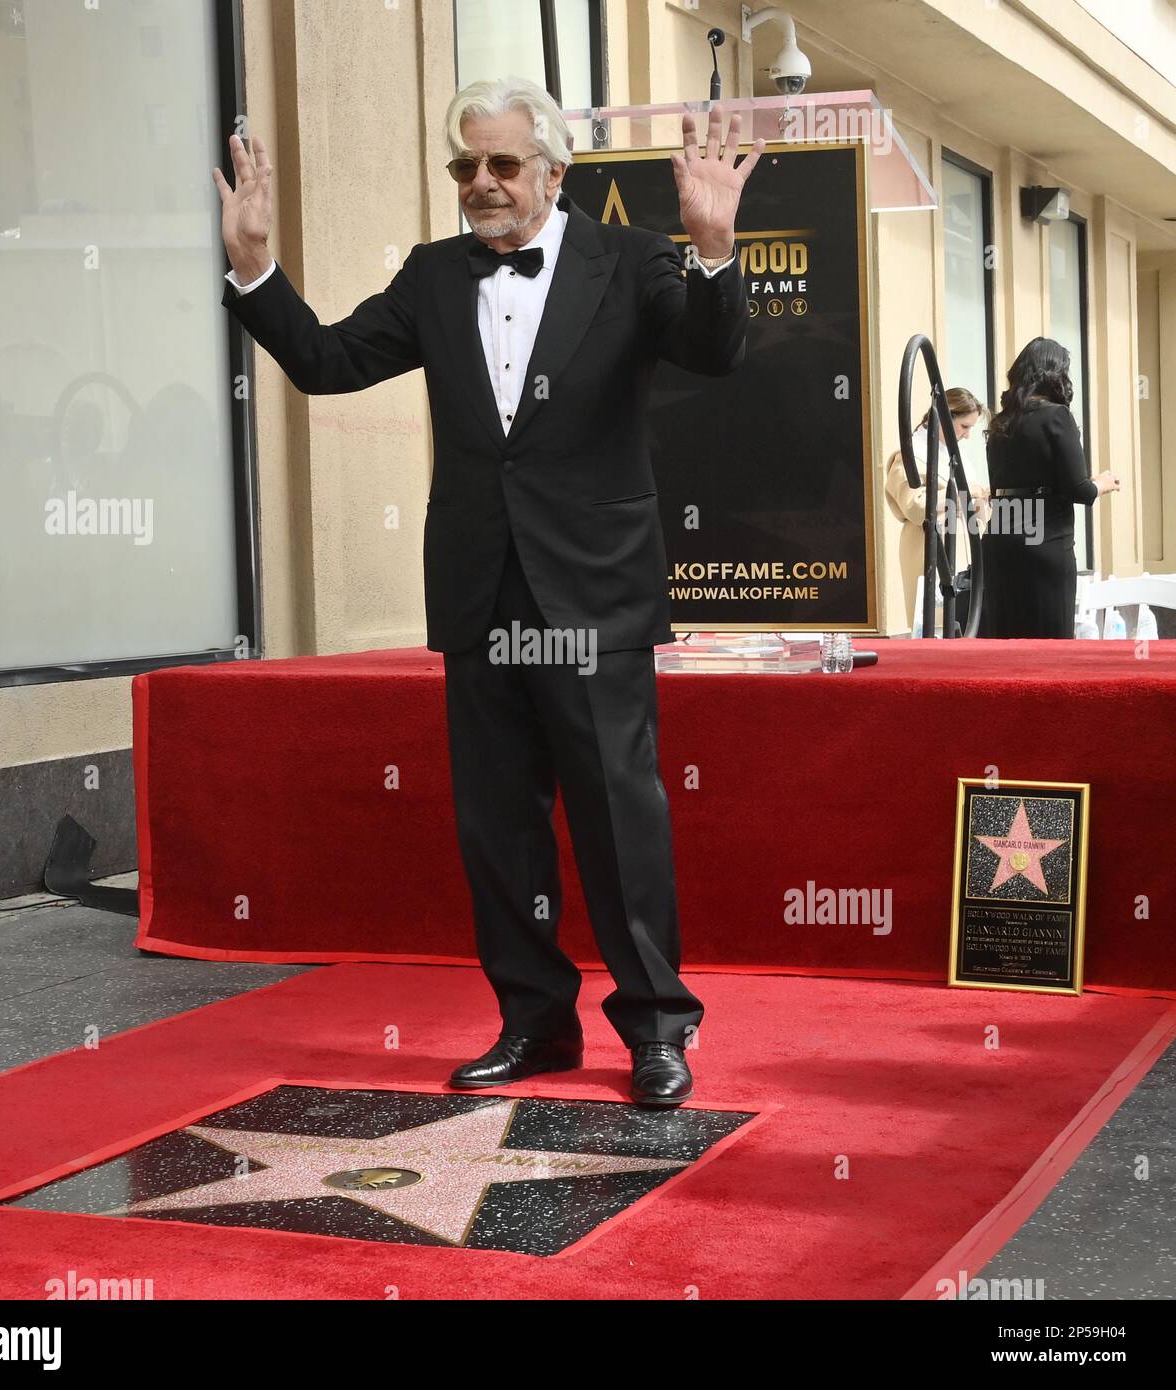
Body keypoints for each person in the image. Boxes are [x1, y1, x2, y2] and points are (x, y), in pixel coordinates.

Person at [212, 77, 762, 1107]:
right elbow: (329, 363)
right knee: (498, 826)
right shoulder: (430, 277)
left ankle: (655, 1028)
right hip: (483, 593)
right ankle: (533, 1023)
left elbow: (717, 350)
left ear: (555, 168)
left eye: (503, 164)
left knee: (619, 818)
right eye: (464, 165)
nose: (482, 183)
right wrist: (255, 270)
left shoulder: (633, 258)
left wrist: (714, 249)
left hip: (594, 596)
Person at [980, 338, 1119, 638]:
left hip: (1000, 541)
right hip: (1044, 543)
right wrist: (1101, 484)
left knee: (1005, 646)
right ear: (1056, 374)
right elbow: (1077, 490)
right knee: (1049, 650)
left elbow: (1000, 487)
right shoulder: (1057, 416)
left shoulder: (1002, 422)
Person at [884, 387, 988, 632]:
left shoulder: (954, 454)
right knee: (933, 621)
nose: (968, 435)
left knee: (962, 619)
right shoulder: (910, 456)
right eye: (964, 426)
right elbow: (914, 505)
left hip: (961, 543)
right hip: (926, 545)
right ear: (944, 418)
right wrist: (963, 493)